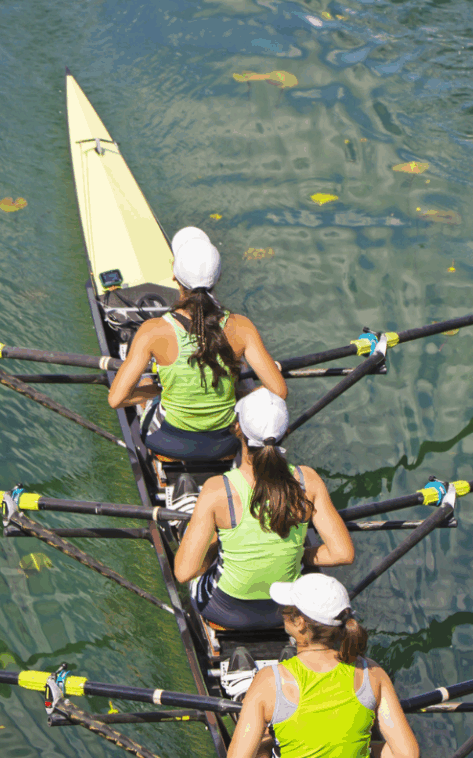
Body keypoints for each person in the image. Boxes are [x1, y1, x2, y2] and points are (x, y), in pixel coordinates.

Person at [224, 574, 419, 758]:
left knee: (261, 749)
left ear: (301, 623)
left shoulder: (268, 681)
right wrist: (346, 749)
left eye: (286, 609)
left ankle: (243, 698)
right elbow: (406, 753)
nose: (281, 612)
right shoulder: (372, 673)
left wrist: (270, 744)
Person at [173, 389, 354, 629]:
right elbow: (342, 554)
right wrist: (302, 554)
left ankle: (186, 511)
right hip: (286, 609)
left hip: (224, 610)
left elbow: (184, 573)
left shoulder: (217, 489)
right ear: (286, 433)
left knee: (198, 533)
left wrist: (214, 547)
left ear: (238, 429)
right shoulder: (307, 481)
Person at [107, 226, 286, 461]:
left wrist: (154, 391)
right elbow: (279, 391)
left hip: (168, 443)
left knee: (147, 378)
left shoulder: (152, 331)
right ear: (218, 277)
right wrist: (243, 395)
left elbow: (116, 399)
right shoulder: (242, 327)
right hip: (225, 444)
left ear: (174, 276)